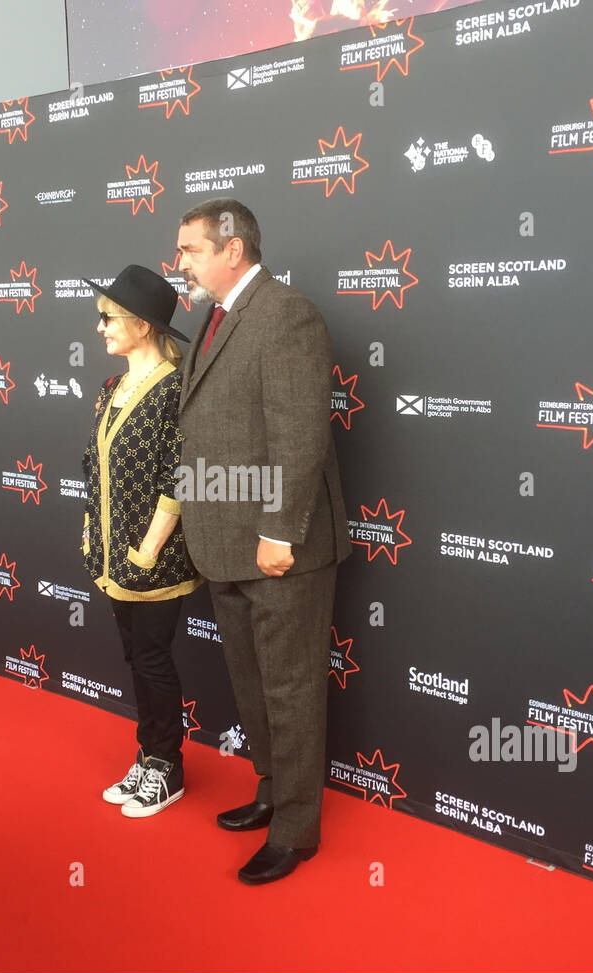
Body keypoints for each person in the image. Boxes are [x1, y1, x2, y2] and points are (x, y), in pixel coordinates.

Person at [174, 199, 349, 885]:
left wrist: (279, 530)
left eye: (189, 249)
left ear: (233, 250)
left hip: (281, 548)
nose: (180, 261)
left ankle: (298, 830)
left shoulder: (286, 314)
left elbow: (300, 435)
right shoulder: (213, 319)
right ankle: (273, 792)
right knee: (252, 680)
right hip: (224, 539)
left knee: (291, 684)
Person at [81, 265, 201, 818]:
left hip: (156, 561)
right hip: (113, 557)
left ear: (143, 326)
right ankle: (148, 754)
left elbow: (179, 481)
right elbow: (95, 471)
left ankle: (167, 768)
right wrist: (94, 535)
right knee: (135, 655)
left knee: (152, 658)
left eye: (108, 318)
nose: (99, 326)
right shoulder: (111, 387)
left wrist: (147, 552)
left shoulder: (175, 390)